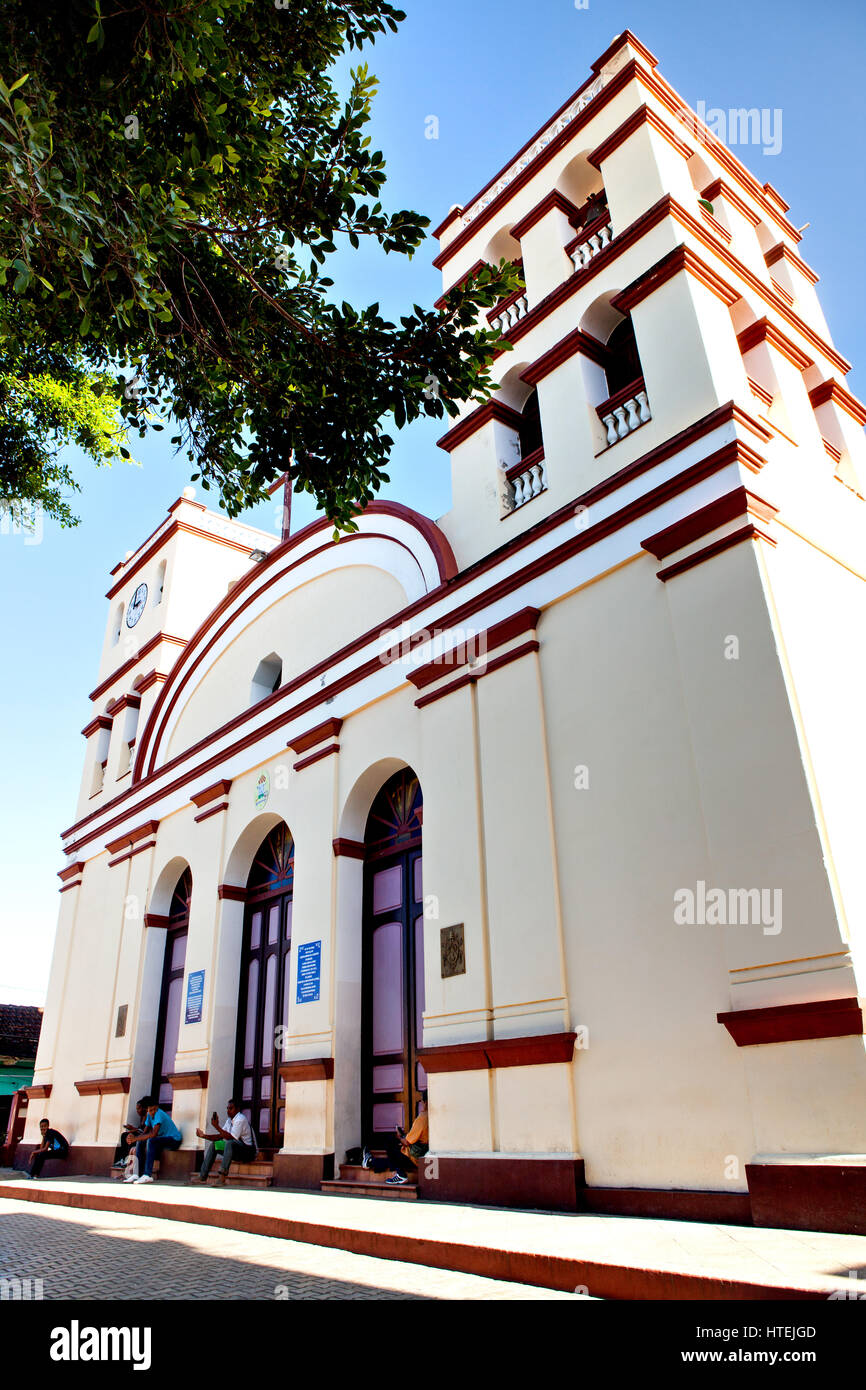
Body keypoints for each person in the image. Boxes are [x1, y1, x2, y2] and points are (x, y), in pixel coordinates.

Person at [363, 1094, 429, 1187]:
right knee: (392, 1160)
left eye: (422, 1101)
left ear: (425, 1102)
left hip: (414, 1157)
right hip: (422, 1155)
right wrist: (403, 1136)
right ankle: (370, 1162)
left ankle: (401, 1175)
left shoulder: (422, 1118)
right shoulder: (432, 1117)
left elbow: (406, 1142)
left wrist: (399, 1136)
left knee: (390, 1142)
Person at [191, 1100, 257, 1185]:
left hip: (247, 1152)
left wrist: (217, 1126)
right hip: (236, 1150)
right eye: (227, 1108)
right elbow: (220, 1136)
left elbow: (230, 1137)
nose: (228, 1111)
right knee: (215, 1144)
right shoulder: (229, 1120)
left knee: (229, 1143)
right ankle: (202, 1177)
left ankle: (222, 1177)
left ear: (237, 1109)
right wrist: (204, 1136)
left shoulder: (240, 1119)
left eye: (231, 1108)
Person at [132, 1096, 182, 1183]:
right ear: (147, 1109)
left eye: (154, 1109)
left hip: (174, 1140)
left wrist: (135, 1138)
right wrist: (136, 1139)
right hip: (163, 1139)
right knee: (140, 1141)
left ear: (157, 1108)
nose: (152, 1112)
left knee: (151, 1141)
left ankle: (147, 1175)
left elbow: (153, 1134)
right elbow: (145, 1133)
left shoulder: (159, 1114)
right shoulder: (149, 1114)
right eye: (150, 1110)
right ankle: (136, 1174)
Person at [112, 1101, 147, 1178]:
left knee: (129, 1136)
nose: (137, 1111)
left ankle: (127, 1159)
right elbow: (140, 1129)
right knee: (124, 1135)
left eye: (139, 1109)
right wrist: (132, 1129)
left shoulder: (148, 1117)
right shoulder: (142, 1118)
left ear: (144, 1108)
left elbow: (145, 1132)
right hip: (140, 1134)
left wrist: (134, 1131)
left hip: (143, 1137)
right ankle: (122, 1159)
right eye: (136, 1109)